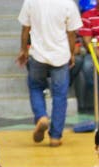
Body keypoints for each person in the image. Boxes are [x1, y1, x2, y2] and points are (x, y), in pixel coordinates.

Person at [17, 0, 83, 147]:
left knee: (36, 88)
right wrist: (71, 53)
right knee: (60, 96)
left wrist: (23, 50)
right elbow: (71, 33)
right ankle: (55, 137)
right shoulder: (68, 4)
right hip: (60, 55)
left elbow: (25, 29)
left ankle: (41, 116)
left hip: (37, 54)